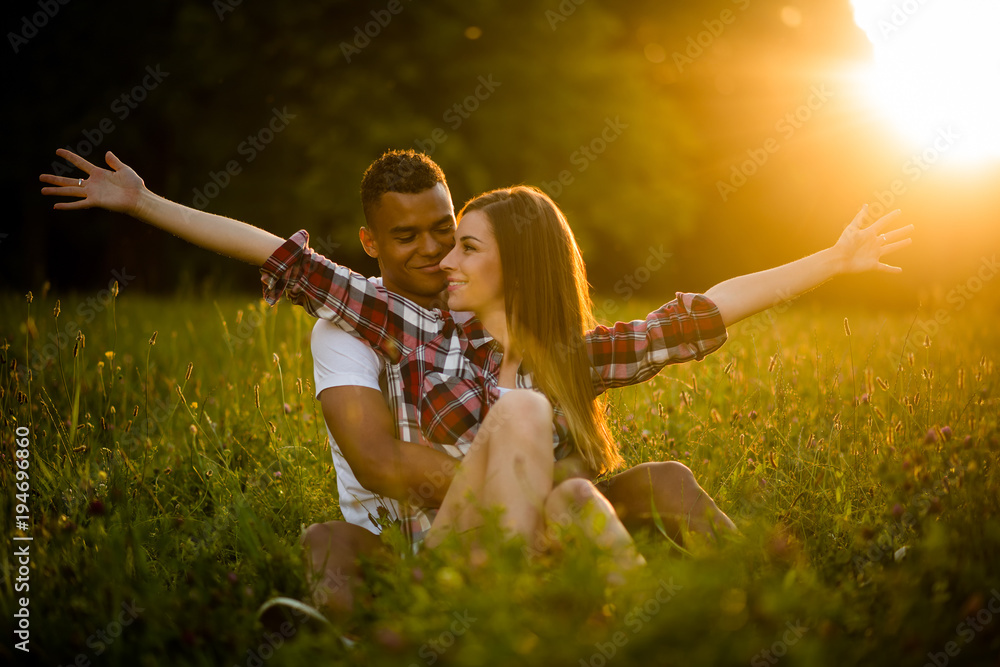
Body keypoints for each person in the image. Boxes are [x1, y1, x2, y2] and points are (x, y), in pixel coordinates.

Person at [40, 149, 913, 610]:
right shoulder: (406, 324)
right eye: (431, 243)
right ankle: (464, 620)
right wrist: (145, 203)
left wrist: (830, 261)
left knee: (577, 499)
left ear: (512, 264)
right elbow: (273, 249)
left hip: (548, 542)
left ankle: (676, 622)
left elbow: (703, 312)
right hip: (453, 553)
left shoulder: (576, 353)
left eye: (462, 244)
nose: (438, 260)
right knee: (527, 417)